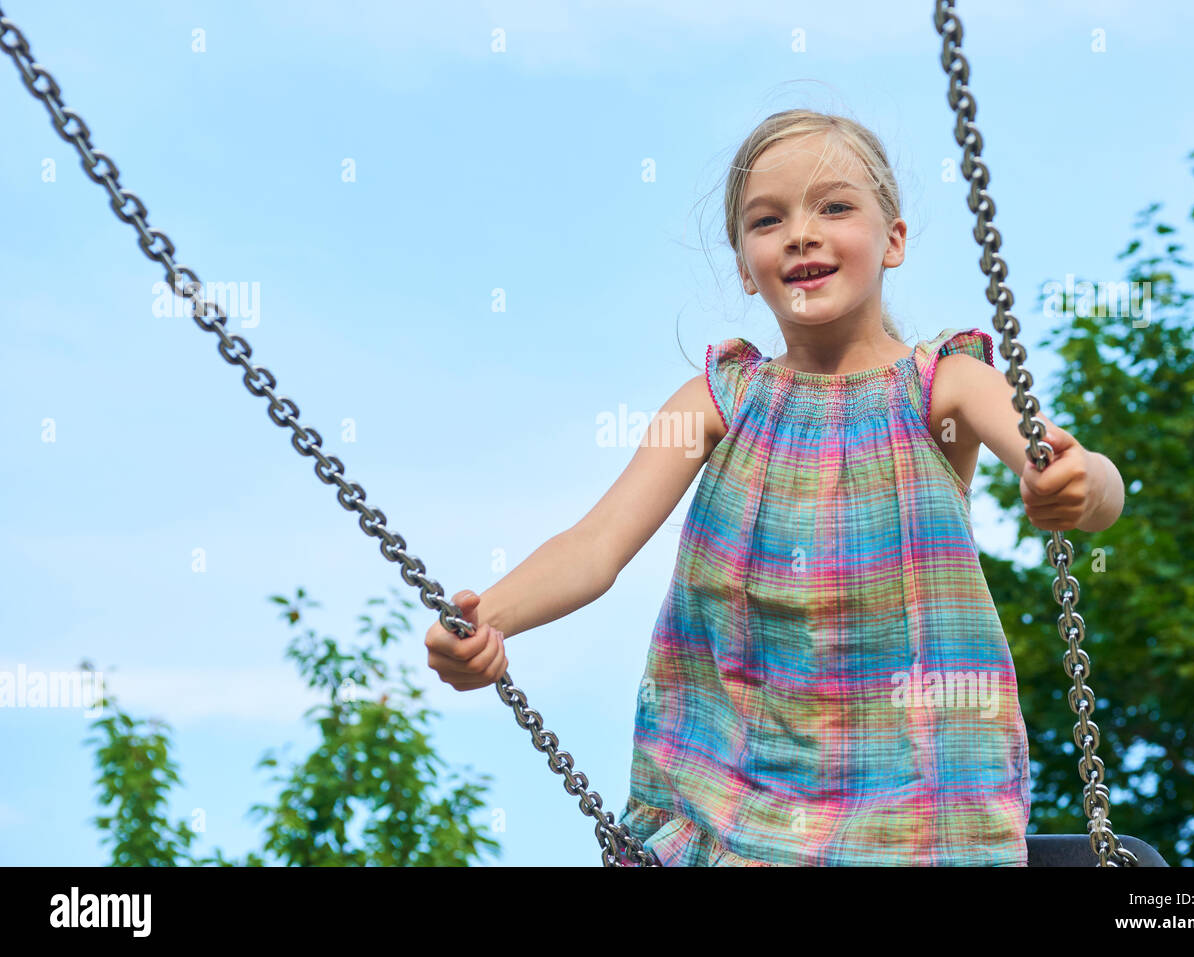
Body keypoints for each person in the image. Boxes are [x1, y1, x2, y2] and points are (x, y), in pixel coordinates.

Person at [424, 109, 1126, 866]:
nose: (801, 232)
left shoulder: (947, 387)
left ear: (892, 240)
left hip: (917, 804)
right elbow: (596, 545)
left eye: (834, 206)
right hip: (736, 801)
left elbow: (1070, 467)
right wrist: (484, 619)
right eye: (768, 219)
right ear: (743, 262)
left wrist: (1079, 484)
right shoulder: (717, 401)